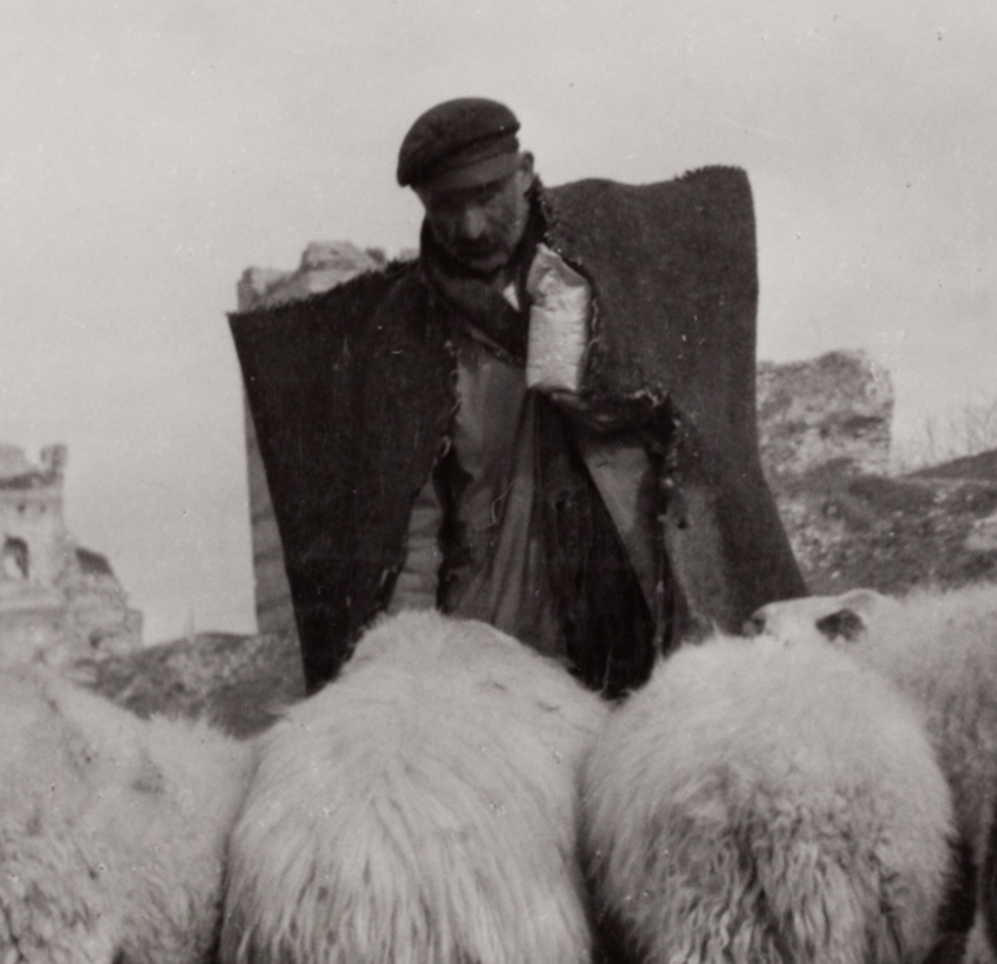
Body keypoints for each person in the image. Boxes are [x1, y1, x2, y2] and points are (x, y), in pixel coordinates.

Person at [229, 96, 806, 699]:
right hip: (505, 643)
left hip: (638, 615)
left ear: (525, 172)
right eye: (446, 207)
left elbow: (689, 413)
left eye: (487, 196)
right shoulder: (408, 339)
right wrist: (400, 667)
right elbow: (412, 526)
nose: (471, 228)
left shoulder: (602, 267)